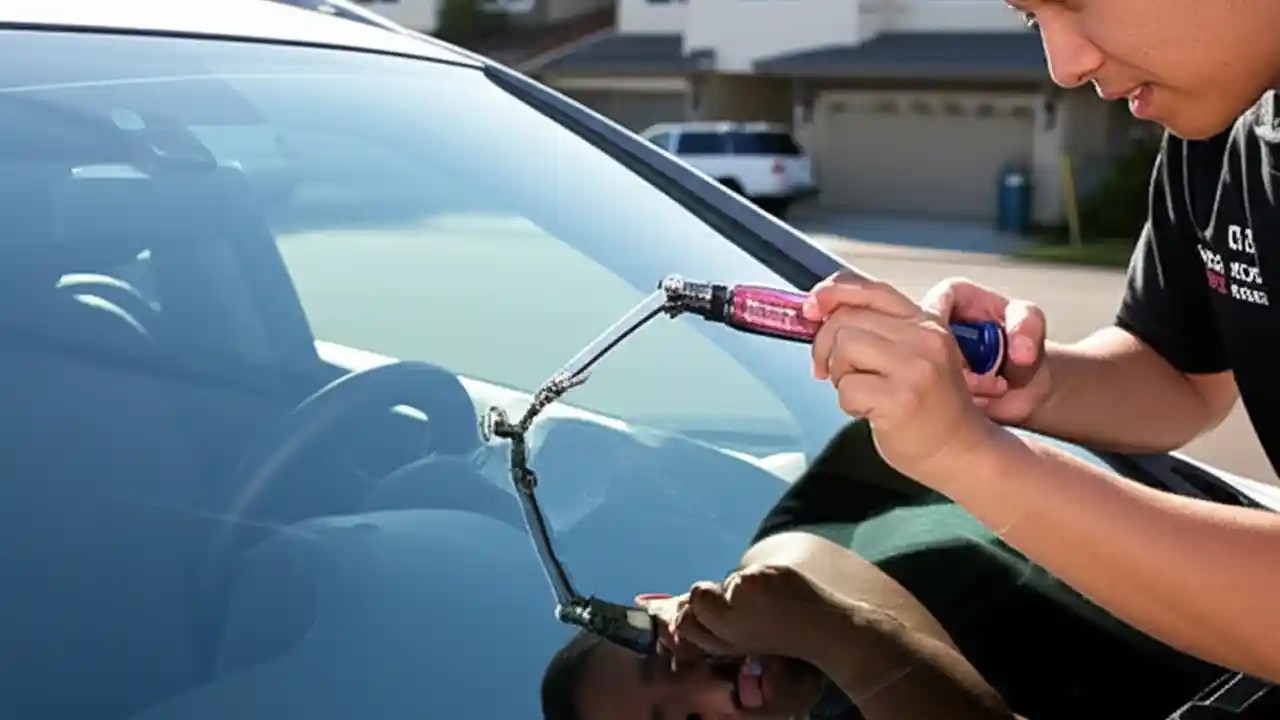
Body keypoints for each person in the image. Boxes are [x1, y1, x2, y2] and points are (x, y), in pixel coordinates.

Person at [797, 0, 1280, 686]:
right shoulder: (1221, 132)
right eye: (1032, 19)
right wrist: (1019, 375)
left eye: (1077, 2)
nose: (1064, 65)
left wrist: (972, 459)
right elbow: (1180, 375)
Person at [540, 528, 1018, 720]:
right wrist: (835, 633)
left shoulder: (790, 561)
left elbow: (790, 565)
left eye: (670, 657)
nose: (715, 691)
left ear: (662, 606)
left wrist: (821, 625)